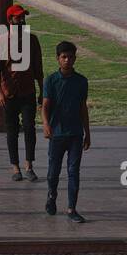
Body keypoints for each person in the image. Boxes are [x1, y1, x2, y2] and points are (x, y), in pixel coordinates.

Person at [0, 4, 44, 182]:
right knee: (12, 130)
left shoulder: (32, 40)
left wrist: (42, 91)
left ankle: (29, 164)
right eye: (18, 18)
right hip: (9, 92)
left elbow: (38, 68)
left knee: (30, 128)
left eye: (23, 18)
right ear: (10, 21)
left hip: (28, 90)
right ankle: (15, 167)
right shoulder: (2, 41)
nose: (21, 21)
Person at [43, 40, 90, 223]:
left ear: (75, 58)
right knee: (53, 172)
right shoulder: (52, 80)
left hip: (75, 134)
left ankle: (72, 208)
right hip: (57, 133)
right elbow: (45, 106)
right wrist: (46, 125)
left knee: (73, 171)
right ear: (58, 59)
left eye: (70, 57)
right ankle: (52, 195)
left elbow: (83, 108)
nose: (67, 60)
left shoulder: (81, 81)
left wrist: (87, 132)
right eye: (64, 57)